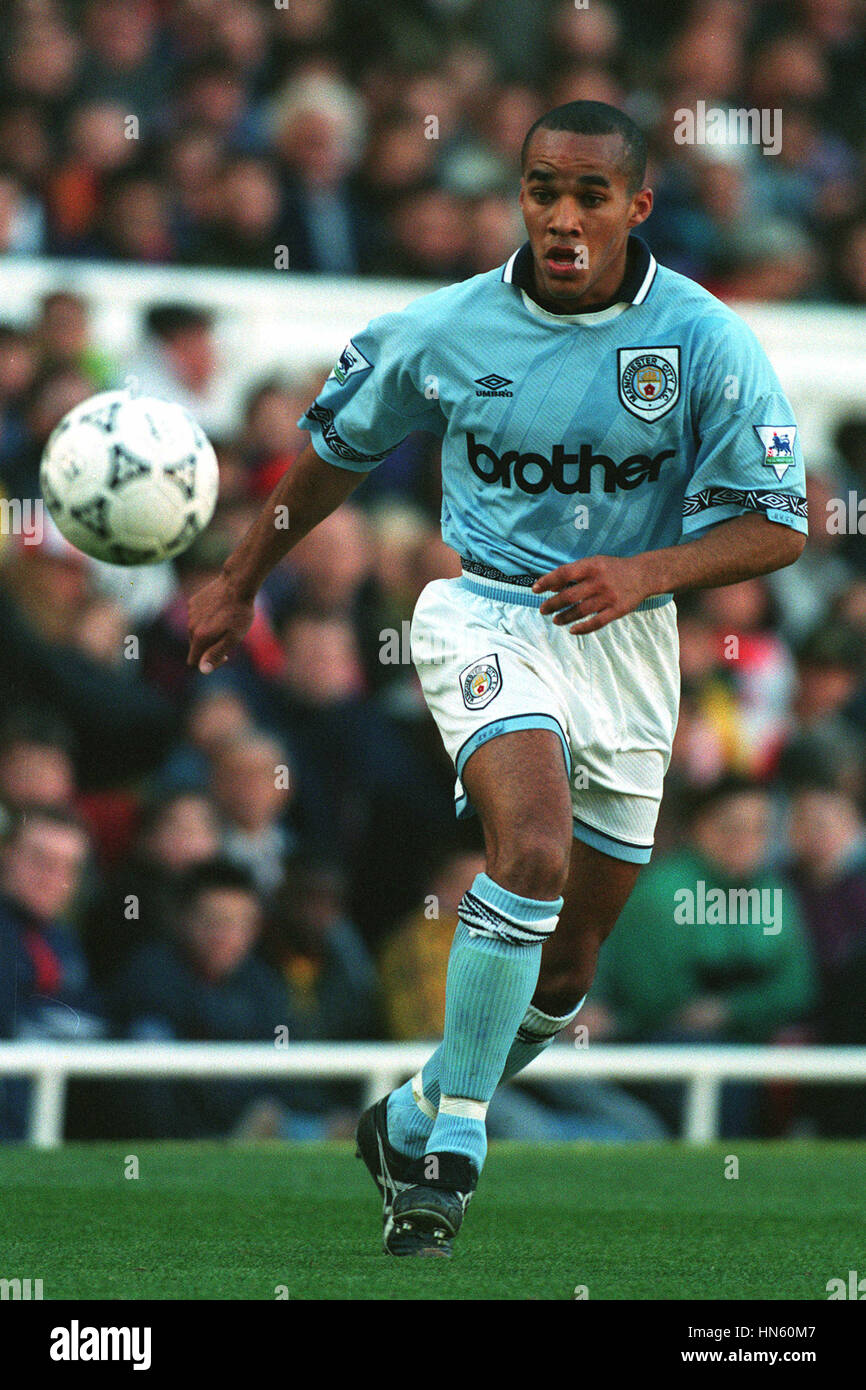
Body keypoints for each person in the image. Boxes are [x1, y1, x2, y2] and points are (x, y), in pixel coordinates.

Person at [187, 100, 808, 1256]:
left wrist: (645, 572)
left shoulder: (705, 338)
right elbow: (328, 455)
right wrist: (236, 582)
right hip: (485, 611)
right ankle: (450, 1149)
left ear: (636, 205)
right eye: (540, 190)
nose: (562, 216)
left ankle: (415, 1104)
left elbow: (778, 522)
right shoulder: (442, 328)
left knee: (567, 971)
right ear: (518, 195)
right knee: (526, 851)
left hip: (624, 638)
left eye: (586, 194)